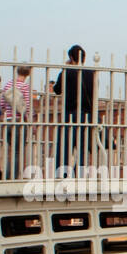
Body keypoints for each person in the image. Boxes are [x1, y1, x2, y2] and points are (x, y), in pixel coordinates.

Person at [52, 45, 95, 173]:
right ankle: (80, 173)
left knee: (65, 146)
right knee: (82, 147)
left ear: (71, 57)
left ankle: (62, 173)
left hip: (70, 112)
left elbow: (57, 89)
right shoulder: (91, 73)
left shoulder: (67, 71)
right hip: (86, 114)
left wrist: (64, 68)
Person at [0, 64, 33, 178]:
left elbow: (2, 104)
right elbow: (27, 107)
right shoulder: (25, 87)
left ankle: (7, 175)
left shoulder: (8, 84)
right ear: (28, 74)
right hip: (19, 121)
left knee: (11, 151)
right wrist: (31, 122)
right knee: (17, 152)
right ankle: (12, 177)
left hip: (8, 120)